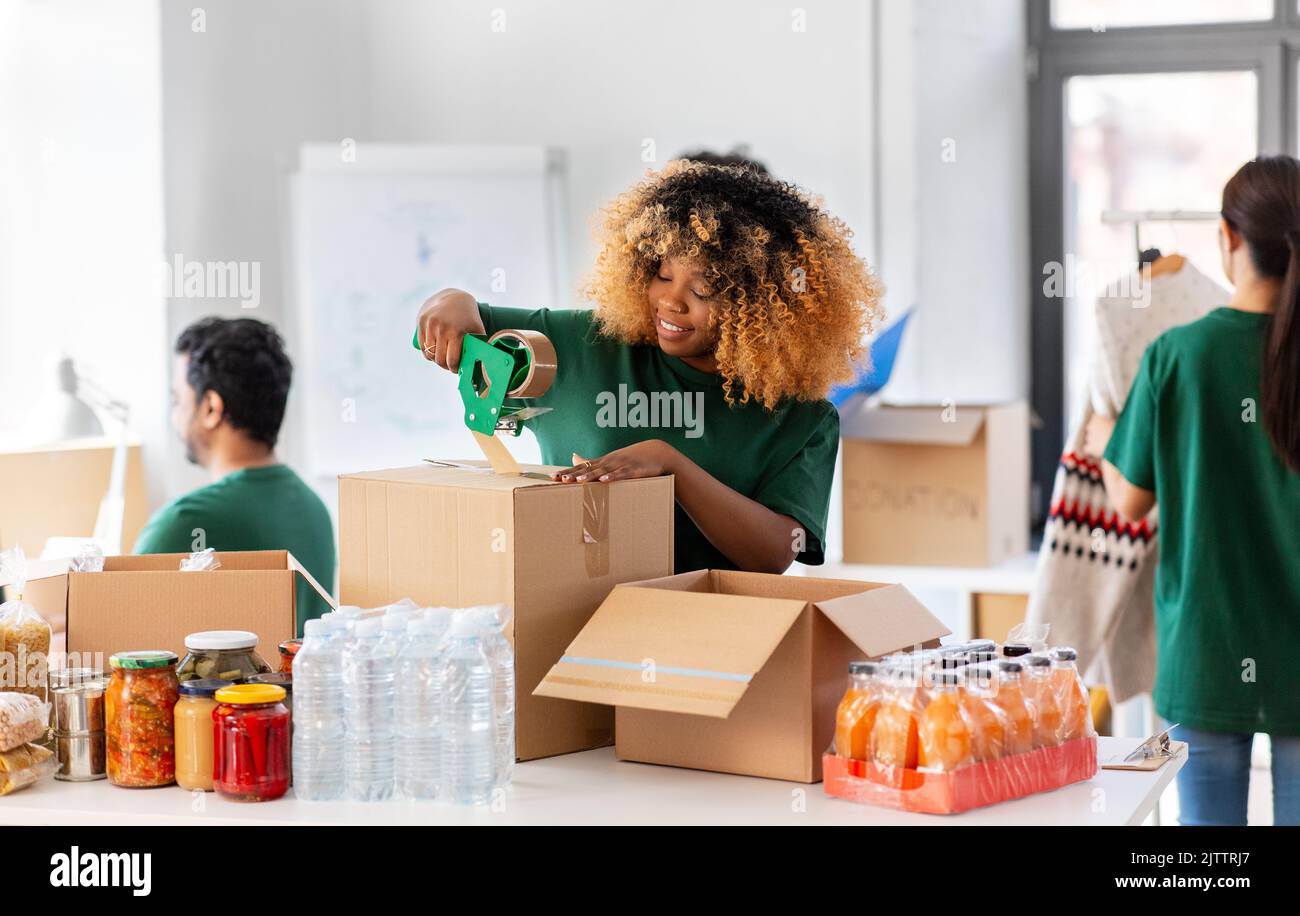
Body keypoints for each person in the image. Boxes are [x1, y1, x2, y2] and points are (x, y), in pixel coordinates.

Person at [417, 160, 882, 574]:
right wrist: (450, 303)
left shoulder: (800, 418)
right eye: (662, 275)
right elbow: (460, 320)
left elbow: (777, 552)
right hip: (562, 624)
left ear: (765, 306)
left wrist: (670, 464)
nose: (671, 302)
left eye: (704, 291)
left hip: (708, 644)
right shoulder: (581, 345)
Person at [1088, 156, 1300, 825]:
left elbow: (1129, 502)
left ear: (1228, 239)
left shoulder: (1179, 355)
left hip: (1206, 654)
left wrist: (1101, 438)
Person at [134, 317, 335, 632]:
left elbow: (125, 651)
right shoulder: (313, 508)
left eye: (177, 400)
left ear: (211, 408)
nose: (174, 415)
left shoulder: (182, 523)